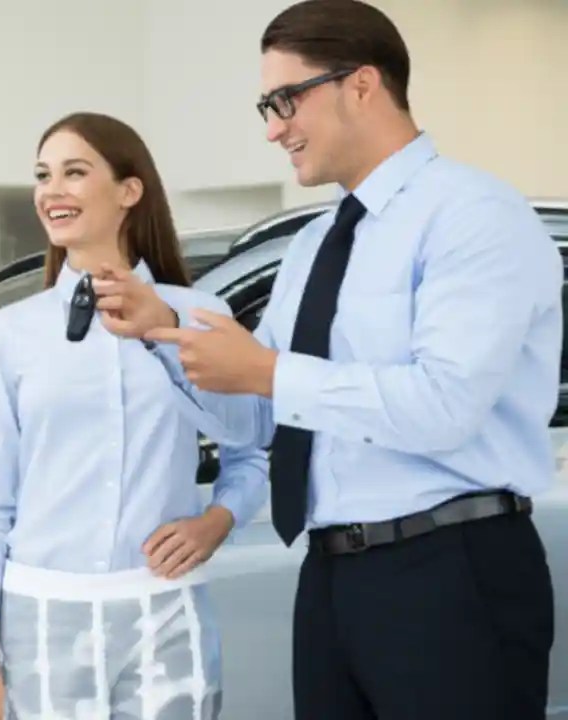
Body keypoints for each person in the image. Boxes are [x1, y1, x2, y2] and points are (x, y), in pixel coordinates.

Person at [126, 1, 559, 718]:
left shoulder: (473, 214)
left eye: (285, 100)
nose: (273, 129)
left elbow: (443, 406)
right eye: (266, 107)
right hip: (330, 577)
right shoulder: (312, 246)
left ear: (361, 85)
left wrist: (266, 372)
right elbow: (262, 419)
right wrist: (166, 335)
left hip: (452, 569)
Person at [0, 111, 268, 720]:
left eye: (74, 172)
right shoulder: (11, 333)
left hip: (167, 612)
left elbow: (248, 442)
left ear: (129, 190)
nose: (52, 190)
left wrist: (217, 520)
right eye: (43, 175)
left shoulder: (199, 315)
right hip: (41, 617)